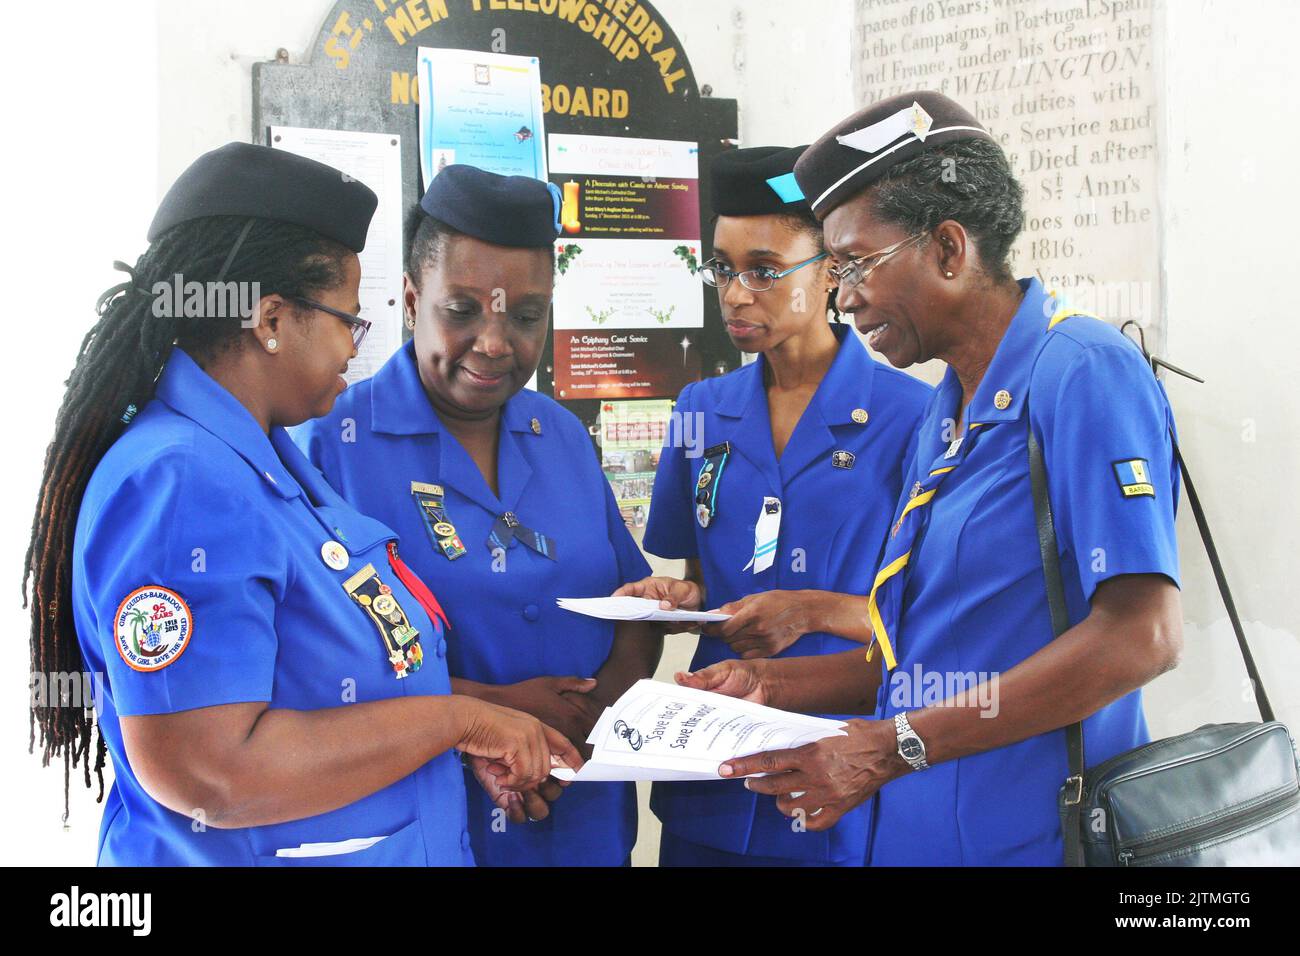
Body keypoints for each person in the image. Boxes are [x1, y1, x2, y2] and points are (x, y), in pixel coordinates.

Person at [23, 143, 579, 866]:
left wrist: (468, 733)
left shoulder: (267, 458)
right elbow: (211, 774)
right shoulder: (180, 483)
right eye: (348, 318)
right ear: (272, 319)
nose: (356, 344)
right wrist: (456, 723)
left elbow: (335, 686)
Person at [676, 92, 1184, 866]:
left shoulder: (1080, 373)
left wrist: (894, 747)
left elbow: (1141, 637)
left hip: (1035, 840)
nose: (844, 298)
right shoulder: (945, 411)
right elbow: (906, 668)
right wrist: (765, 684)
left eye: (855, 266)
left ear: (949, 249)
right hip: (911, 838)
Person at [298, 164, 661, 867]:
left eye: (525, 316)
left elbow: (629, 608)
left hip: (585, 821)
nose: (496, 342)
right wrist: (487, 711)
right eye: (461, 310)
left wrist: (584, 727)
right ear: (411, 299)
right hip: (429, 823)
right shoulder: (331, 441)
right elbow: (314, 665)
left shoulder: (559, 434)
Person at [617, 146, 932, 866]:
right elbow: (712, 579)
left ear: (830, 273)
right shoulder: (702, 410)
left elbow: (927, 616)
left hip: (841, 768)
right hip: (713, 773)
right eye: (722, 269)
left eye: (763, 270)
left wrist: (812, 608)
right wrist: (679, 596)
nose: (734, 293)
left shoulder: (911, 417)